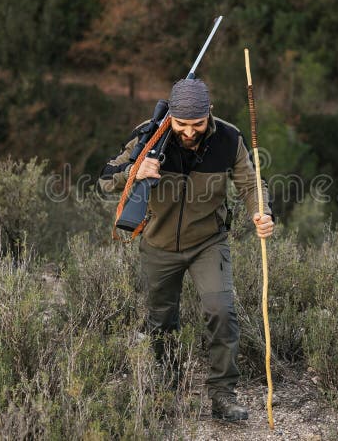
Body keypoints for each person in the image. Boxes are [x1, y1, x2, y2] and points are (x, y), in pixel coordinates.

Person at [98, 78, 274, 422]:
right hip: (157, 244)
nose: (190, 132)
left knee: (221, 311)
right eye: (181, 124)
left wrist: (262, 213)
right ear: (171, 118)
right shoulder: (149, 134)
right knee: (161, 321)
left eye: (198, 124)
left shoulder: (229, 138)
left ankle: (223, 396)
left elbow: (252, 184)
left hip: (208, 243)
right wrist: (135, 171)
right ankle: (168, 390)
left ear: (210, 113)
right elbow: (106, 177)